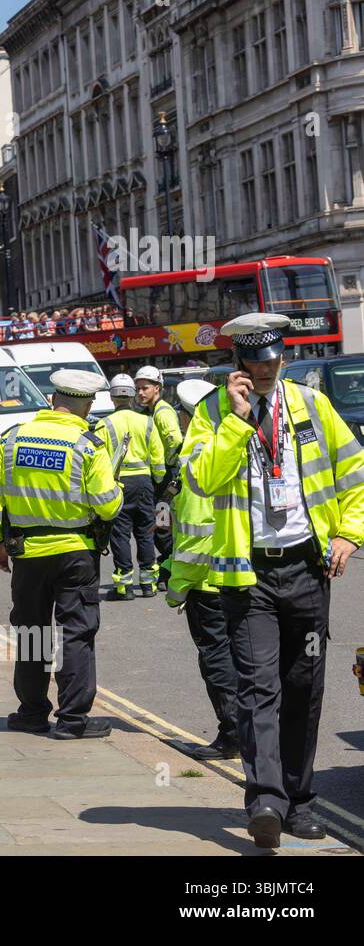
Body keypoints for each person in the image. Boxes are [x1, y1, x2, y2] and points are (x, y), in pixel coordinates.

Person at [184, 313, 364, 848]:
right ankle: (265, 800)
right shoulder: (213, 413)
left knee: (304, 687)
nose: (264, 370)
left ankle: (301, 801)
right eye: (254, 362)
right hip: (248, 574)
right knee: (258, 687)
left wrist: (349, 534)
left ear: (282, 358)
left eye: (271, 360)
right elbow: (200, 478)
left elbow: (354, 471)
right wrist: (239, 422)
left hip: (308, 568)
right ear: (238, 363)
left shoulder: (311, 405)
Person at [0, 369, 123, 739]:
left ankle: (31, 713)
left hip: (26, 552)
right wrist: (119, 488)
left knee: (31, 631)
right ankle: (73, 720)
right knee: (76, 632)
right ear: (86, 406)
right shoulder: (88, 445)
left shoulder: (12, 440)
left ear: (52, 400)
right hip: (76, 551)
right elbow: (107, 506)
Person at [166, 378, 239, 761]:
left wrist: (176, 589)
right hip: (239, 579)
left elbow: (195, 542)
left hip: (208, 587)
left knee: (217, 660)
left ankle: (232, 735)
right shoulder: (232, 451)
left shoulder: (198, 466)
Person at [97, 373, 165, 599]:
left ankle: (124, 586)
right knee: (146, 532)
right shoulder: (147, 421)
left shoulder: (104, 424)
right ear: (133, 395)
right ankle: (148, 584)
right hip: (144, 483)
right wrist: (157, 481)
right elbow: (158, 457)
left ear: (112, 397)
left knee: (120, 534)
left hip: (119, 484)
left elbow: (100, 461)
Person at [137, 365, 184, 590]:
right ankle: (168, 567)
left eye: (145, 388)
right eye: (138, 389)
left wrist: (168, 464)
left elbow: (174, 440)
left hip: (166, 478)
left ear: (157, 388)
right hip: (164, 476)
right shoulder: (154, 410)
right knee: (162, 525)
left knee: (163, 527)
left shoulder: (162, 412)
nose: (140, 393)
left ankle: (170, 569)